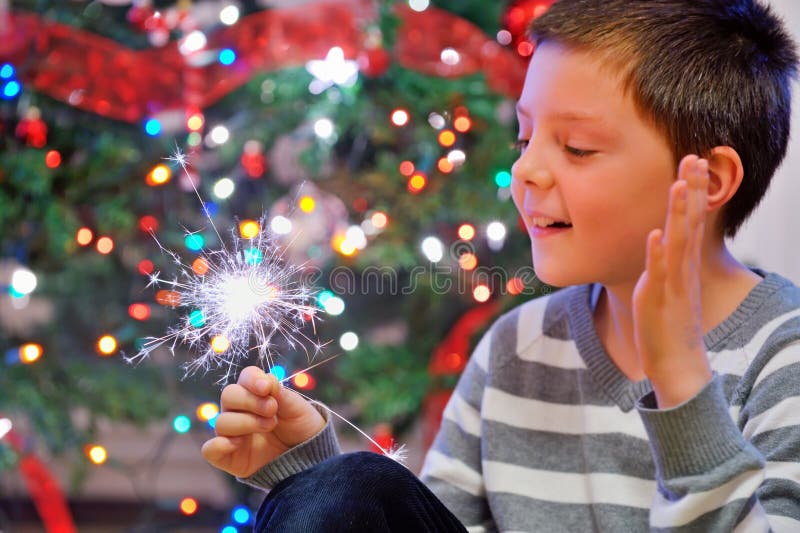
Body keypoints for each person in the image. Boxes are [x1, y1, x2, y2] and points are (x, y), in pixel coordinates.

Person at [202, 0, 800, 530]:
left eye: (577, 148)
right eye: (524, 139)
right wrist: (313, 482)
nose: (526, 171)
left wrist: (683, 388)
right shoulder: (516, 348)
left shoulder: (783, 354)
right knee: (357, 485)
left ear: (710, 180)